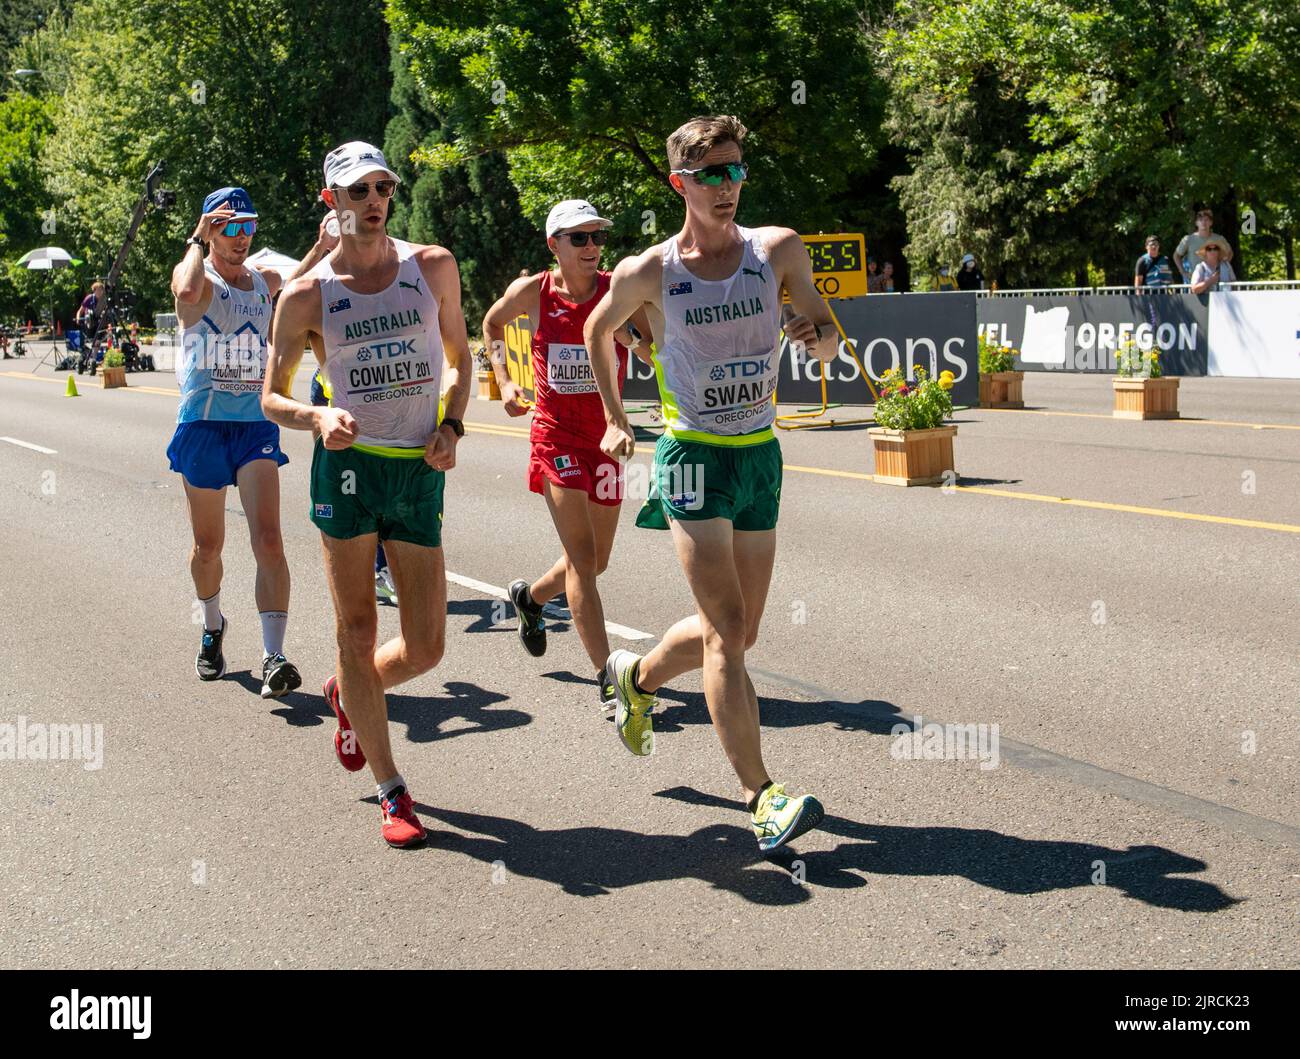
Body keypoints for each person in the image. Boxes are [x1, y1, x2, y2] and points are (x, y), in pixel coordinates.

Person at [585, 114, 837, 853]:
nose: (726, 187)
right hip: (692, 455)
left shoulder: (777, 250)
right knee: (728, 632)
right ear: (680, 184)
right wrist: (611, 416)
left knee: (744, 628)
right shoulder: (650, 271)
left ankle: (638, 676)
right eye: (710, 176)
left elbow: (824, 331)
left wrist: (811, 335)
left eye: (734, 172)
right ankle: (762, 796)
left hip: (759, 453)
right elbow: (599, 331)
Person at [262, 141, 473, 849]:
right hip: (347, 472)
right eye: (358, 191)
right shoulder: (307, 294)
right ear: (333, 203)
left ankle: (350, 693)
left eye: (382, 187)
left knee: (426, 647)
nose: (375, 200)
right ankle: (392, 788)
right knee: (358, 629)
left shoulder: (433, 266)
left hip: (416, 470)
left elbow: (460, 358)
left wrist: (451, 423)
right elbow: (271, 396)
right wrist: (317, 416)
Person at [481, 200, 653, 711]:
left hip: (606, 439)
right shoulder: (532, 292)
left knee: (596, 561)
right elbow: (491, 326)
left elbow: (651, 348)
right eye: (579, 238)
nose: (592, 247)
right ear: (553, 244)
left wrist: (635, 338)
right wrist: (507, 380)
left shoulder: (616, 292)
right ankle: (608, 675)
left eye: (597, 237)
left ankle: (530, 599)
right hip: (555, 439)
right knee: (581, 560)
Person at [168, 185, 322, 697]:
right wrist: (195, 234)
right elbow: (186, 294)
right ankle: (212, 626)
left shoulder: (261, 281)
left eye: (248, 226)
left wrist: (322, 246)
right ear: (211, 230)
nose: (240, 237)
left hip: (254, 425)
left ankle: (273, 654)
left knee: (270, 540)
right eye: (229, 226)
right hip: (204, 426)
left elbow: (297, 282)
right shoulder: (200, 279)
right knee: (208, 546)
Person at [1175, 209, 1233, 284]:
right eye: (1200, 220)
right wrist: (1183, 272)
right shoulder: (1188, 239)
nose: (1203, 222)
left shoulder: (1219, 239)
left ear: (1211, 222)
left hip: (1216, 280)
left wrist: (1223, 268)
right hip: (1196, 281)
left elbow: (1230, 253)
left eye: (1206, 220)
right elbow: (1176, 256)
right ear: (1196, 223)